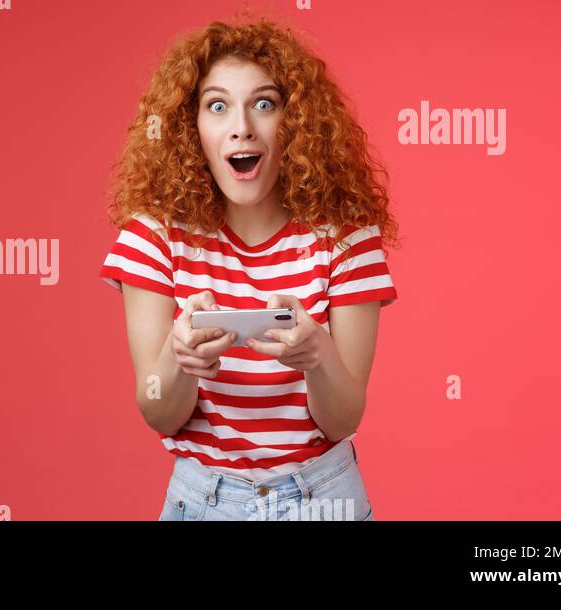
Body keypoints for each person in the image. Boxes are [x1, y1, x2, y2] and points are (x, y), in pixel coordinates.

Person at [98, 14, 400, 521]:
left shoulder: (347, 237)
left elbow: (343, 420)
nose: (242, 126)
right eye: (217, 106)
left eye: (264, 104)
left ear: (295, 122)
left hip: (325, 501)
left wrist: (318, 355)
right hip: (201, 503)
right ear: (191, 126)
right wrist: (179, 356)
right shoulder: (154, 236)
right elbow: (160, 414)